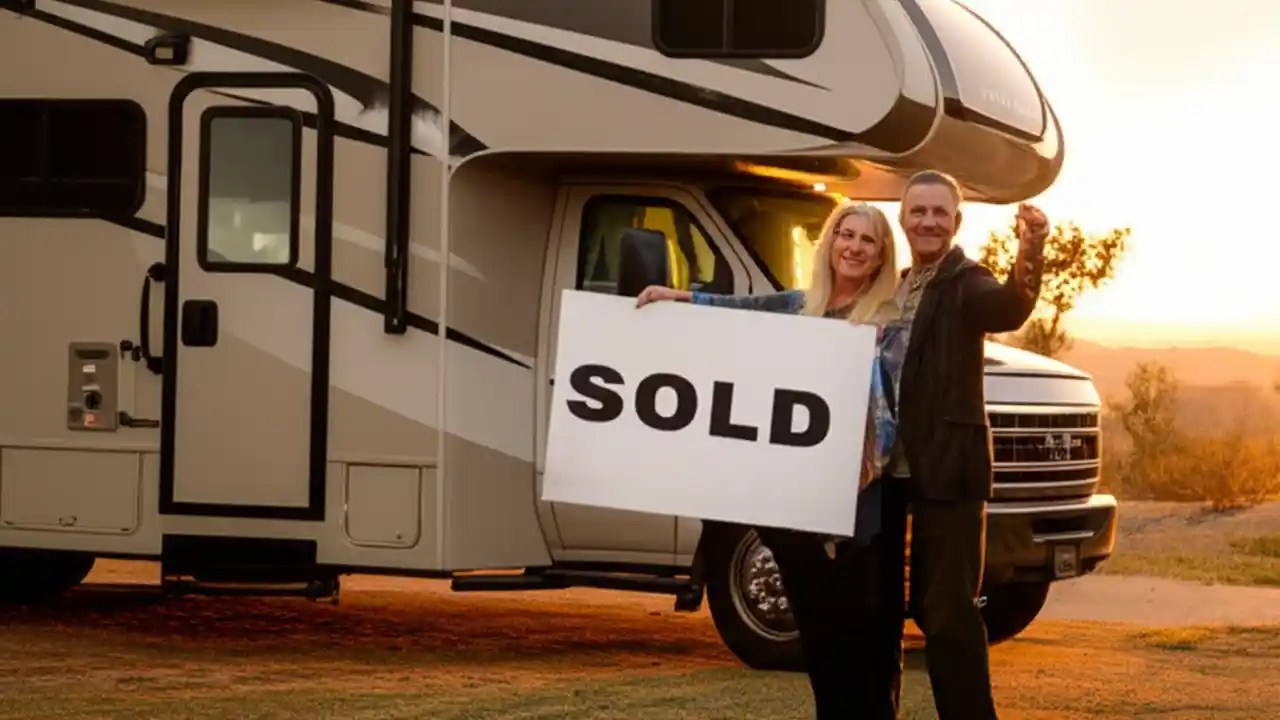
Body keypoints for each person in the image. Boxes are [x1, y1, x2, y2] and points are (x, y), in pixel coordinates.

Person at [636, 200, 908, 719]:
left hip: (860, 504)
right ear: (829, 244)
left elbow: (894, 416)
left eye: (867, 241)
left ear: (879, 257)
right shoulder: (799, 307)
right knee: (820, 638)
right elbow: (737, 312)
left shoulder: (891, 322)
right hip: (796, 505)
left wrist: (867, 360)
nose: (853, 248)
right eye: (845, 235)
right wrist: (678, 299)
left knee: (864, 641)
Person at [886, 170, 1048, 720]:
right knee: (880, 611)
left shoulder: (965, 281)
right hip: (886, 474)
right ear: (903, 219)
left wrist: (1031, 247)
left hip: (948, 473)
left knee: (948, 614)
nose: (928, 221)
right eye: (918, 211)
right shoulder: (899, 283)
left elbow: (1009, 306)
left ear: (957, 221)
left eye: (939, 212)